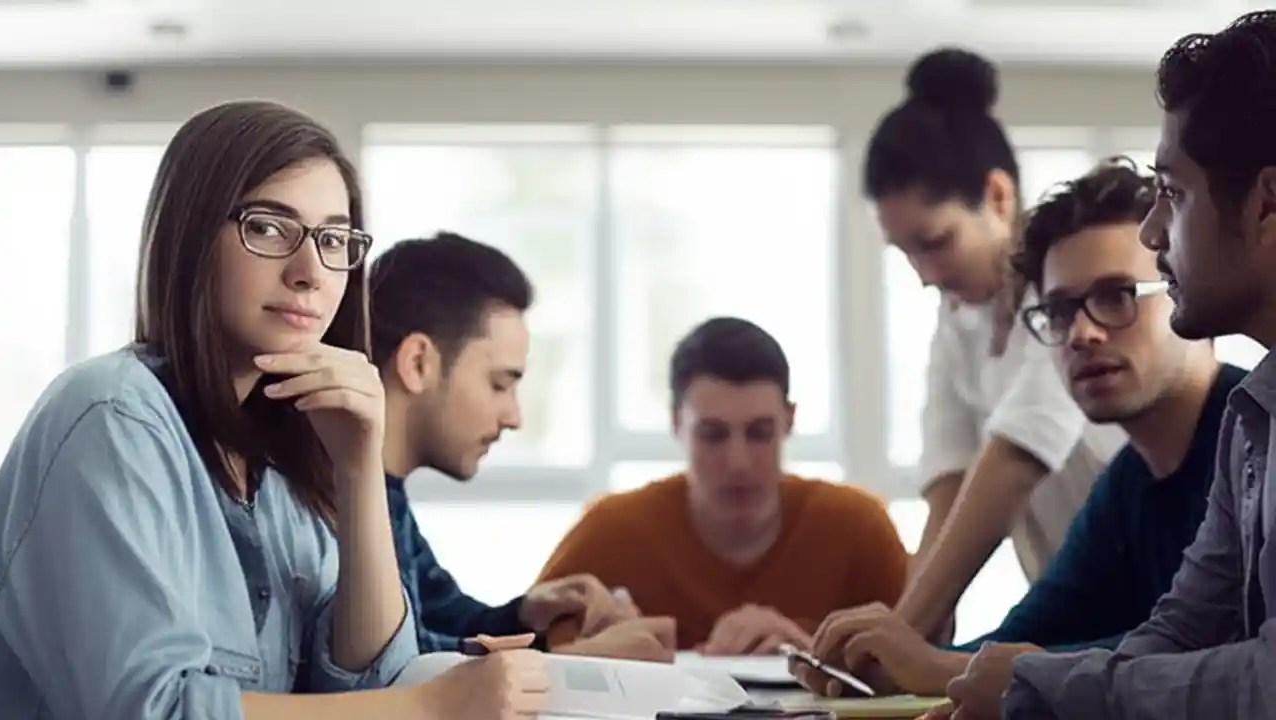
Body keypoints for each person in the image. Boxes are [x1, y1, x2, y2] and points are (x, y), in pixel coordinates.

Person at [0, 101, 546, 720]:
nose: (310, 272)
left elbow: (375, 689)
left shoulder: (285, 460)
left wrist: (360, 467)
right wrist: (426, 708)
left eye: (334, 239)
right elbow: (154, 711)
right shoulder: (112, 416)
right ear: (193, 237)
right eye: (268, 228)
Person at [796, 160, 1243, 704]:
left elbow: (1219, 657)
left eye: (1116, 295)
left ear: (1181, 281)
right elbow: (1034, 633)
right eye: (1058, 311)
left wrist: (935, 664)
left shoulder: (1255, 440)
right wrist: (892, 663)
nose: (1081, 333)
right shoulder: (1127, 482)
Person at [953, 11, 1276, 719]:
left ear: (1264, 203)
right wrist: (1006, 683)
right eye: (1062, 311)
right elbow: (1183, 630)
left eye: (1175, 194)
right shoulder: (1255, 418)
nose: (1155, 232)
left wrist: (1035, 683)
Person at [840, 46, 1126, 645]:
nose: (924, 275)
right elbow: (949, 491)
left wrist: (904, 631)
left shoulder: (1069, 302)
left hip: (1149, 609)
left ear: (998, 197)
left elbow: (1012, 463)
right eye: (905, 254)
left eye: (935, 242)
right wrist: (910, 637)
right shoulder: (957, 325)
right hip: (1075, 611)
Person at [369, 233, 674, 661]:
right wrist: (563, 658)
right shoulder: (334, 497)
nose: (514, 417)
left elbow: (440, 618)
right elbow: (393, 667)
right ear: (418, 363)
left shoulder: (386, 494)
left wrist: (526, 615)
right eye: (499, 384)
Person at [534, 317, 909, 654]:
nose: (738, 462)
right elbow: (520, 651)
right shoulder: (613, 530)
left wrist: (813, 654)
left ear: (790, 420)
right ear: (676, 423)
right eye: (713, 435)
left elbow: (922, 658)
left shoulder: (858, 526)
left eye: (760, 433)